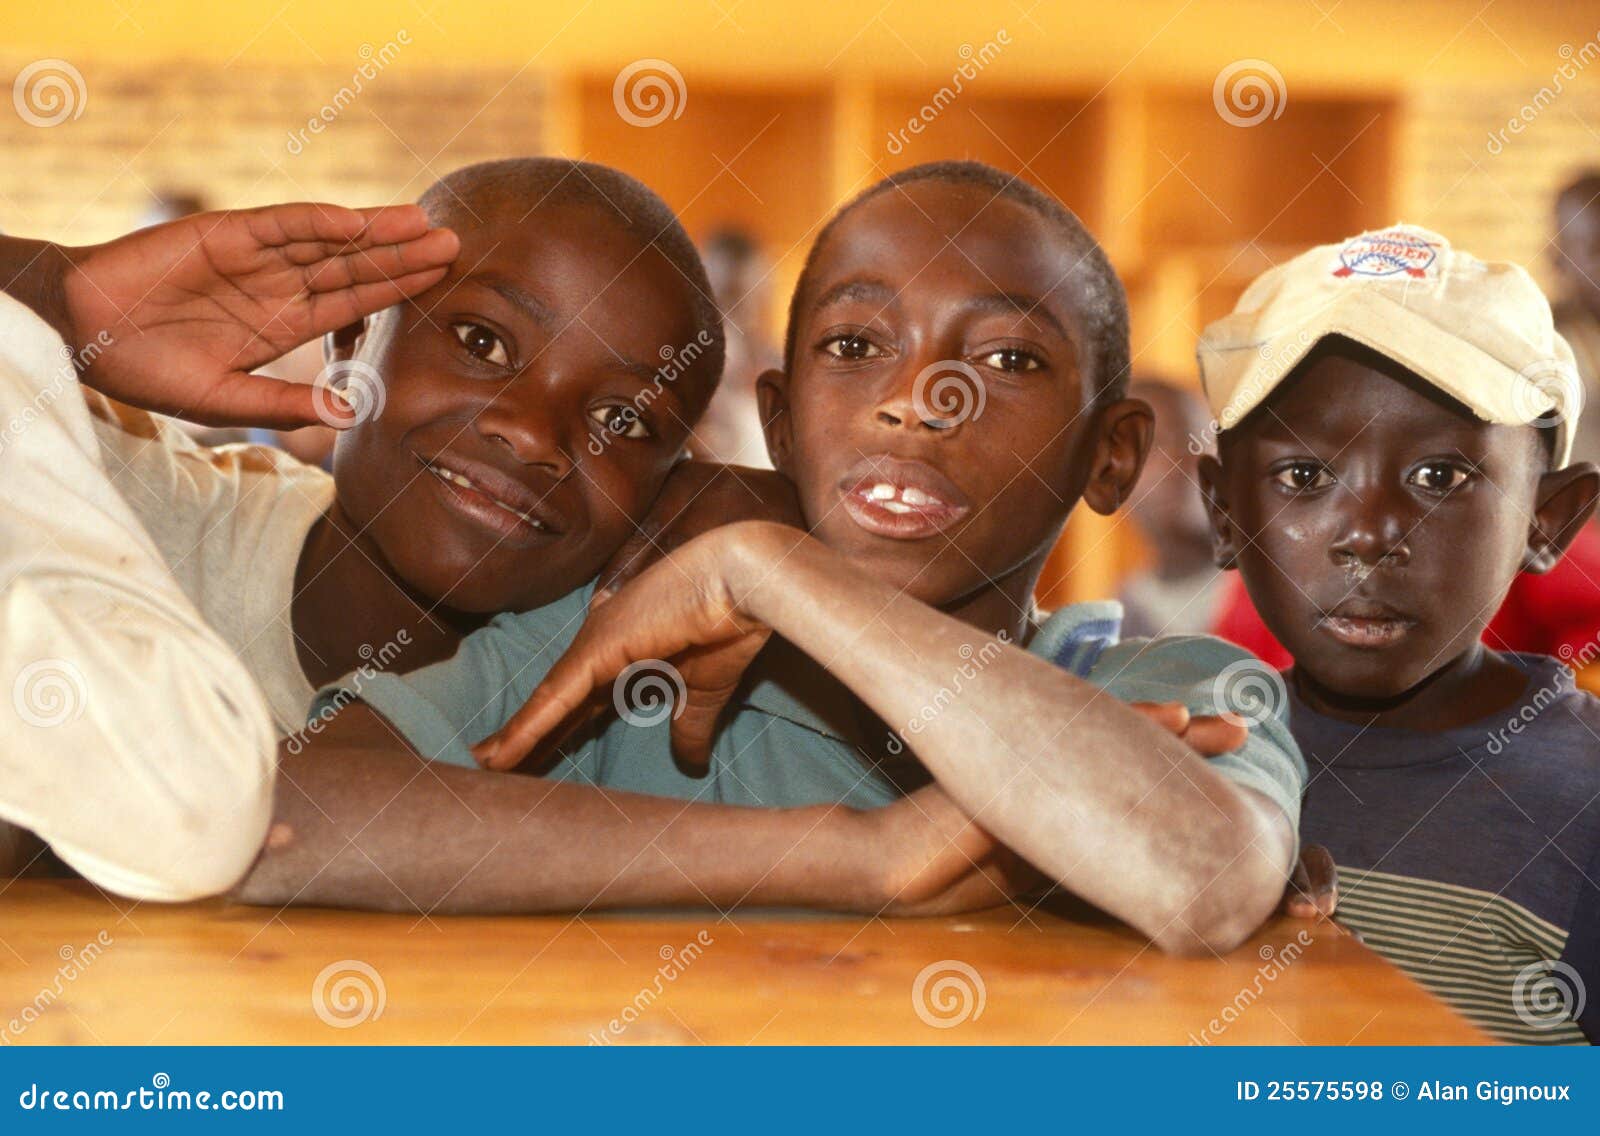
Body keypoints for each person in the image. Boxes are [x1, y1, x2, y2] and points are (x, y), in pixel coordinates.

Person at [282, 162, 1311, 954]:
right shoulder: (616, 644)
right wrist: (857, 856)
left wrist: (776, 571)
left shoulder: (1174, 686)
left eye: (1007, 359)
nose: (919, 397)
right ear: (779, 425)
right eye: (855, 346)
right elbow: (283, 821)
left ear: (1111, 454)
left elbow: (1203, 877)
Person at [1195, 224, 1600, 1043]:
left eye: (1440, 477)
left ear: (1546, 522)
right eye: (1304, 476)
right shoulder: (1176, 757)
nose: (1369, 532)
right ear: (1224, 513)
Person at [0, 199, 450, 899]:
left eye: (624, 418)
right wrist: (48, 291)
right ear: (351, 350)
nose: (534, 434)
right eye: (480, 343)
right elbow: (194, 812)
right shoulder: (109, 476)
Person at [1118, 377, 1227, 638]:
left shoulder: (1282, 589)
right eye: (1150, 449)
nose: (1176, 463)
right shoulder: (1116, 630)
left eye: (1194, 438)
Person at [691, 227, 780, 467]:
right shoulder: (688, 363)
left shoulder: (779, 361)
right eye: (729, 298)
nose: (743, 314)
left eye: (754, 297)